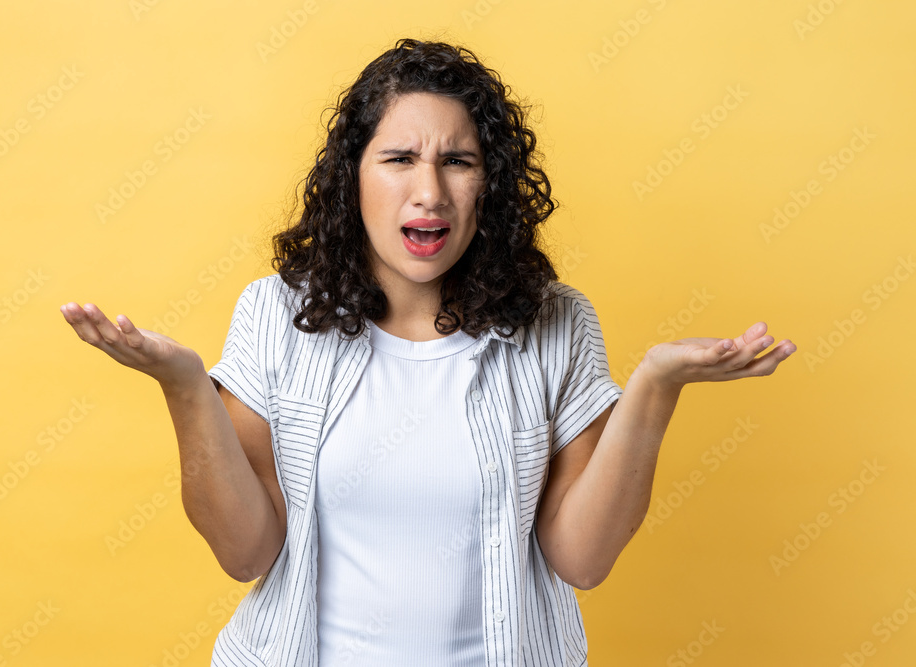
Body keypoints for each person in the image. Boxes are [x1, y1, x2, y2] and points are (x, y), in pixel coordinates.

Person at [60, 38, 795, 667]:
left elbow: (583, 559)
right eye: (399, 158)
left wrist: (656, 387)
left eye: (459, 161)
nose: (430, 192)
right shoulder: (274, 314)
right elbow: (244, 552)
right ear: (352, 177)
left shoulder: (557, 323)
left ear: (490, 184)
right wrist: (186, 386)